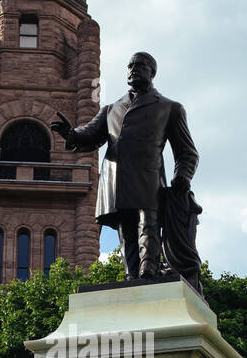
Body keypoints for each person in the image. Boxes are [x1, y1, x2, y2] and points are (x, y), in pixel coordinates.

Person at [51, 52, 201, 287]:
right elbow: (90, 136)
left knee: (148, 224)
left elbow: (187, 152)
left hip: (148, 176)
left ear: (152, 72)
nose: (133, 70)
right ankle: (132, 276)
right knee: (126, 231)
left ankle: (149, 272)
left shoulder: (169, 108)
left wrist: (182, 176)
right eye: (130, 66)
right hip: (115, 178)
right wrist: (70, 134)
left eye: (140, 66)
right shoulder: (111, 109)